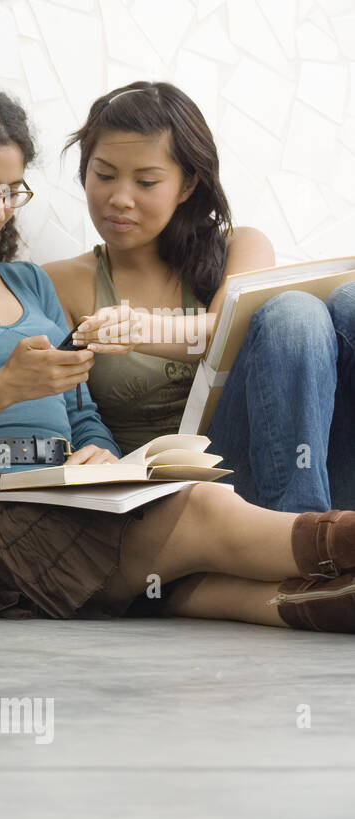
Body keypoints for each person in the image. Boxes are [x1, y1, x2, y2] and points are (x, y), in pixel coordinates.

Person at [0, 80, 355, 633]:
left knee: (314, 315)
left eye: (12, 191)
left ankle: (320, 584)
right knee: (203, 520)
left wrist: (97, 448)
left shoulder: (29, 284)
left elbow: (82, 407)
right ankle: (325, 556)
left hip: (75, 487)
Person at [43, 81, 355, 513]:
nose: (119, 199)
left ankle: (306, 527)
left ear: (187, 185)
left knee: (334, 305)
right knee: (295, 309)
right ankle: (304, 538)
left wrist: (140, 329)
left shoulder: (239, 248)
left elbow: (224, 333)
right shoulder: (60, 283)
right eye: (105, 175)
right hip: (174, 494)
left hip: (289, 468)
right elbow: (63, 407)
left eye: (146, 181)